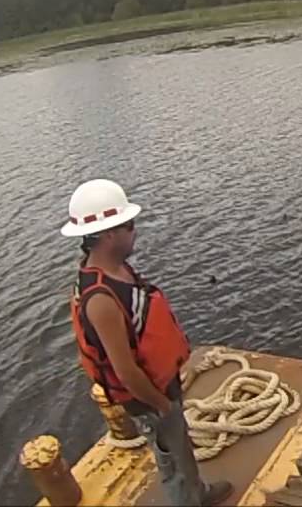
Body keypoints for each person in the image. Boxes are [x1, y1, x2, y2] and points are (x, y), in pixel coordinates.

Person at [62, 178, 232, 507]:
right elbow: (125, 371)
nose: (135, 231)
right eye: (130, 225)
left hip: (161, 383)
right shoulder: (101, 300)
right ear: (109, 233)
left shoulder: (115, 268)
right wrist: (162, 405)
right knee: (171, 457)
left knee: (180, 445)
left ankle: (198, 493)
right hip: (149, 396)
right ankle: (189, 500)